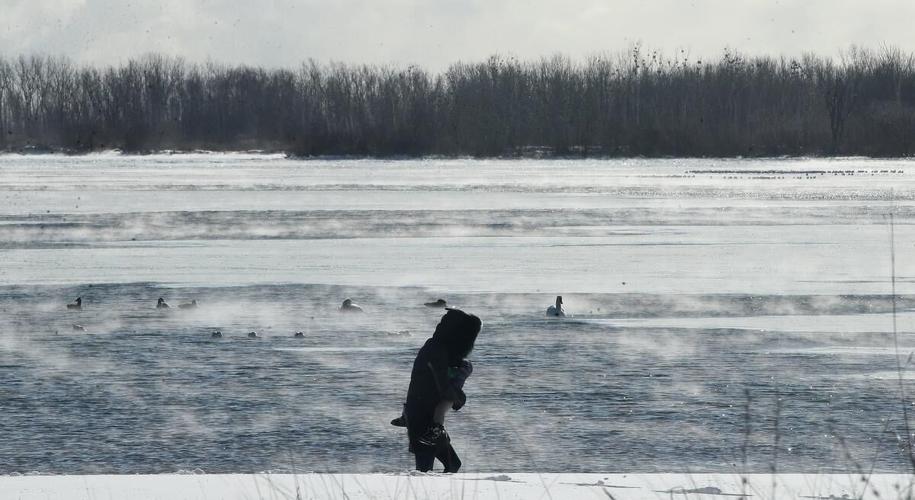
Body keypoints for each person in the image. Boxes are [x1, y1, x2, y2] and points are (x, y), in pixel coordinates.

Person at [397, 308, 481, 473]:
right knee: (423, 471)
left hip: (427, 419)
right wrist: (459, 397)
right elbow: (443, 386)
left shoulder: (438, 348)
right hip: (422, 419)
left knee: (453, 465)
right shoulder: (436, 351)